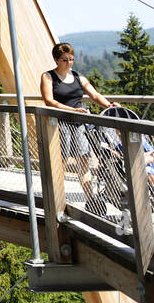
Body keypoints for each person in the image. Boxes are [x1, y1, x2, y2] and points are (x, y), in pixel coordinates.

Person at [40, 41, 115, 214]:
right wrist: (71, 109)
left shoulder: (78, 76)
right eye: (65, 60)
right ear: (57, 60)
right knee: (62, 162)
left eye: (71, 59)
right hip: (60, 122)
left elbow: (94, 94)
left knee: (84, 161)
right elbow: (49, 100)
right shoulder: (48, 77)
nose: (69, 63)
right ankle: (57, 198)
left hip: (79, 122)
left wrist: (110, 107)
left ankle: (91, 200)